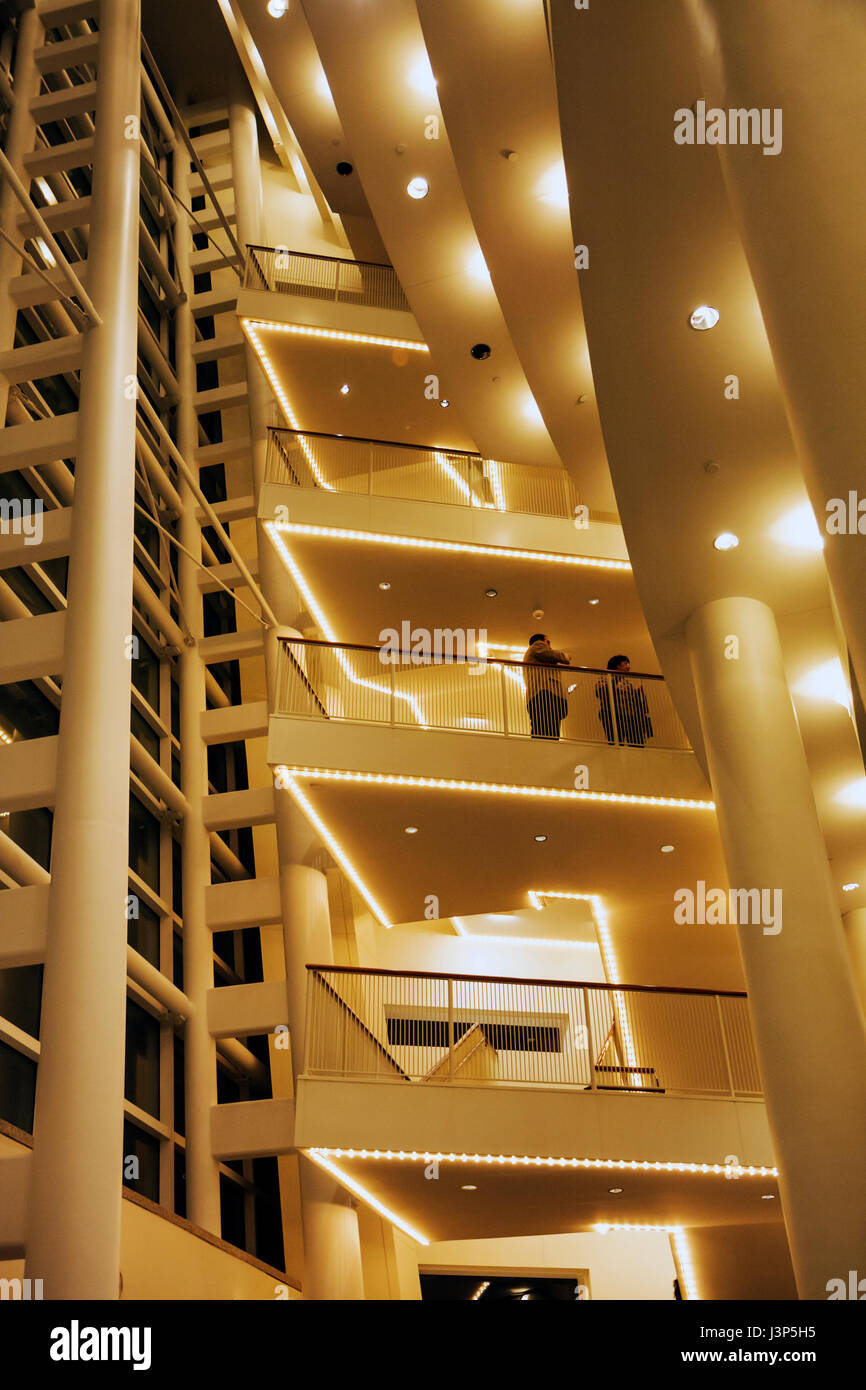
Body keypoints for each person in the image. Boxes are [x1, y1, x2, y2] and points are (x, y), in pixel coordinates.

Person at [595, 654, 653, 747]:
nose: (628, 667)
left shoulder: (627, 682)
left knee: (636, 743)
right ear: (618, 666)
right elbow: (601, 693)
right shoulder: (606, 677)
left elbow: (630, 698)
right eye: (626, 664)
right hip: (613, 715)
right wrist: (617, 678)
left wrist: (637, 693)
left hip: (629, 716)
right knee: (616, 743)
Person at [523, 633, 570, 739]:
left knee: (545, 730)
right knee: (547, 730)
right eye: (547, 642)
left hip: (544, 695)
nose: (549, 646)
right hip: (546, 694)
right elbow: (550, 654)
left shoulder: (531, 654)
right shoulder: (537, 645)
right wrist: (565, 656)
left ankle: (544, 751)